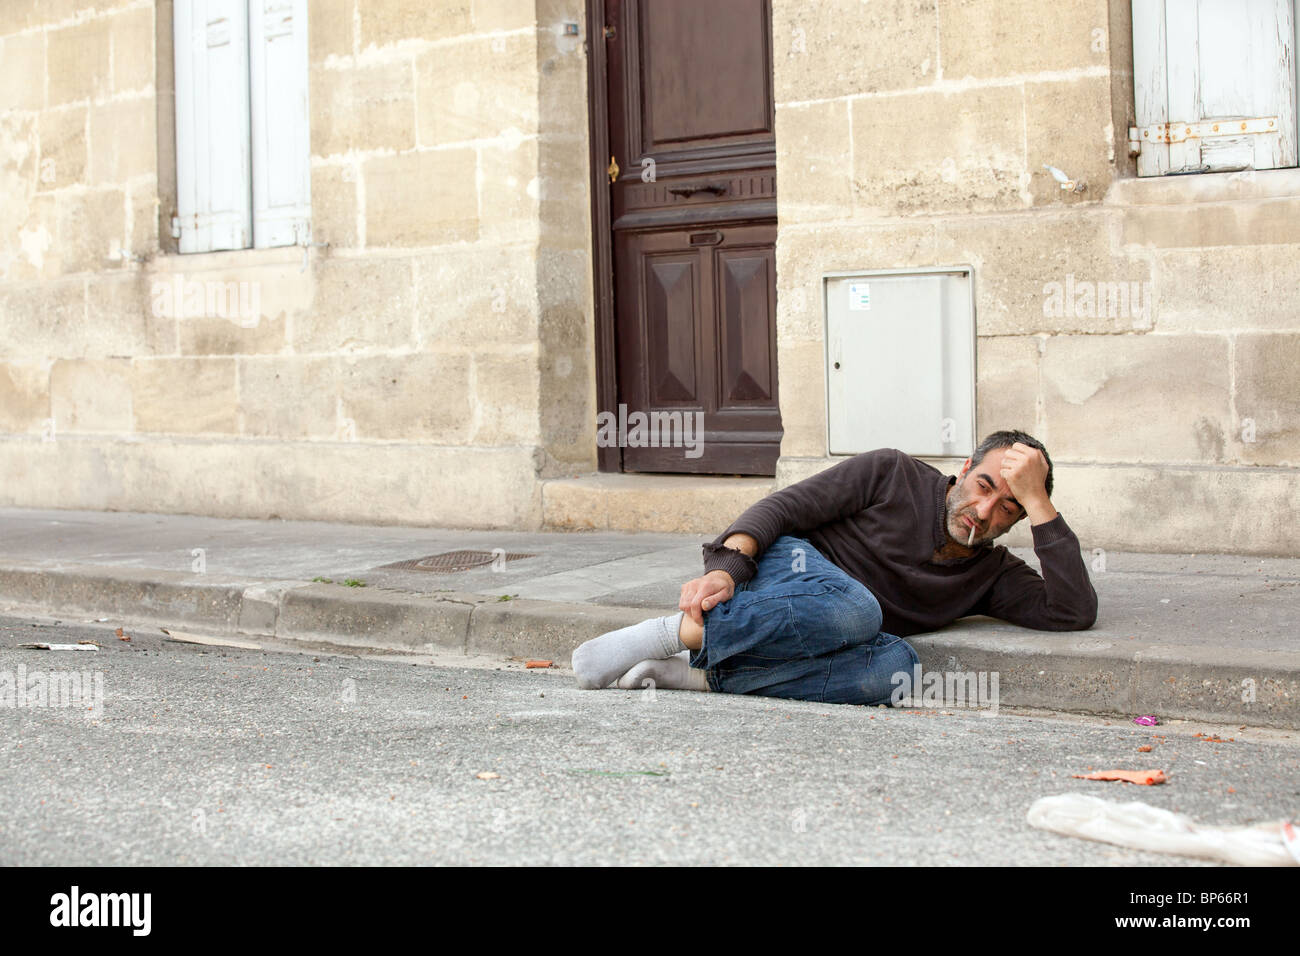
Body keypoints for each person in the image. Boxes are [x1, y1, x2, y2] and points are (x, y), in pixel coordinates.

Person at [571, 429, 1098, 705]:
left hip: (834, 632)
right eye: (984, 487)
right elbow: (783, 508)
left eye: (1010, 507)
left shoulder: (992, 576)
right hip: (792, 568)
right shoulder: (891, 472)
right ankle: (673, 634)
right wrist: (728, 569)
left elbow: (1072, 610)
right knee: (859, 609)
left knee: (896, 669)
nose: (984, 512)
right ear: (964, 470)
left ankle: (701, 680)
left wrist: (1041, 504)